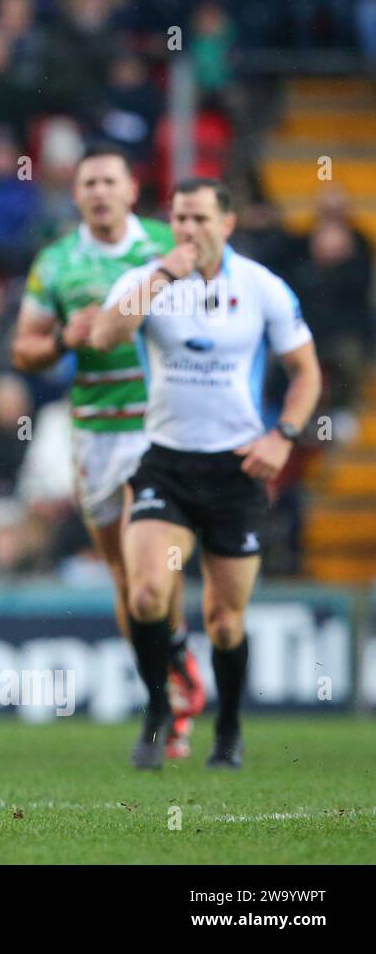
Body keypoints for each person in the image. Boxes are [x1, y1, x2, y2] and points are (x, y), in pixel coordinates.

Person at [89, 178, 322, 769]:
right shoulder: (152, 279)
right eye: (180, 219)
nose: (189, 230)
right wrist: (162, 276)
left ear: (229, 223)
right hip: (165, 463)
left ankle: (231, 729)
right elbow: (103, 336)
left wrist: (284, 436)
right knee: (145, 594)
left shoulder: (261, 287)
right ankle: (158, 706)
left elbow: (306, 372)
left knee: (223, 620)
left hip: (236, 469)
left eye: (200, 219)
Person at [11, 142, 205, 759]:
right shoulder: (57, 262)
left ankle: (164, 684)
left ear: (131, 188)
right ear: (76, 194)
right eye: (88, 181)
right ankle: (168, 669)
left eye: (109, 181)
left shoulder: (163, 244)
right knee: (126, 579)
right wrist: (64, 339)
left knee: (153, 556)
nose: (98, 191)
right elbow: (23, 349)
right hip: (94, 429)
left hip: (161, 424)